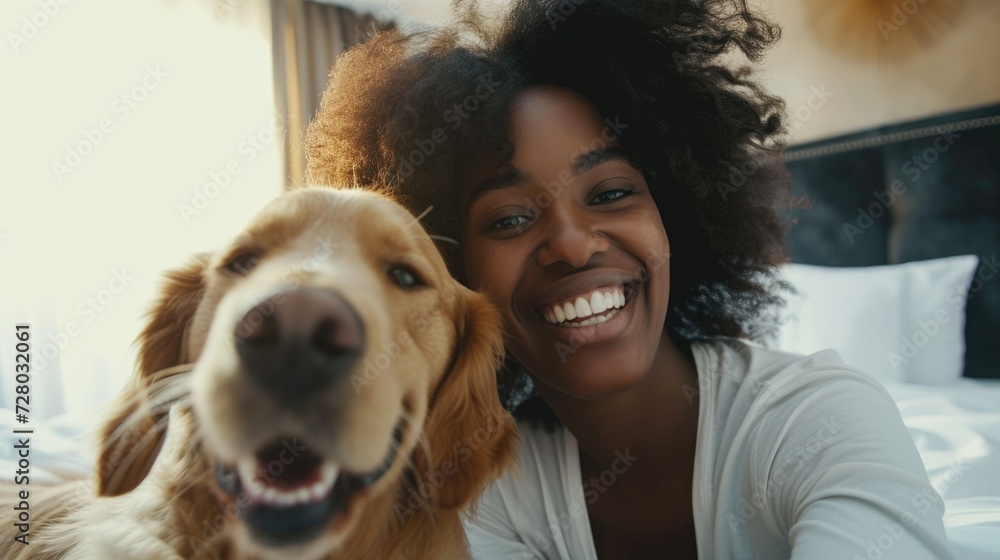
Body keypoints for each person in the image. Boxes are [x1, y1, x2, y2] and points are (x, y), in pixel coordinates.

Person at [305, 1, 958, 558]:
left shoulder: (822, 420)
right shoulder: (485, 482)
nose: (571, 242)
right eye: (508, 219)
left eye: (612, 191)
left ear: (673, 218)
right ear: (454, 273)